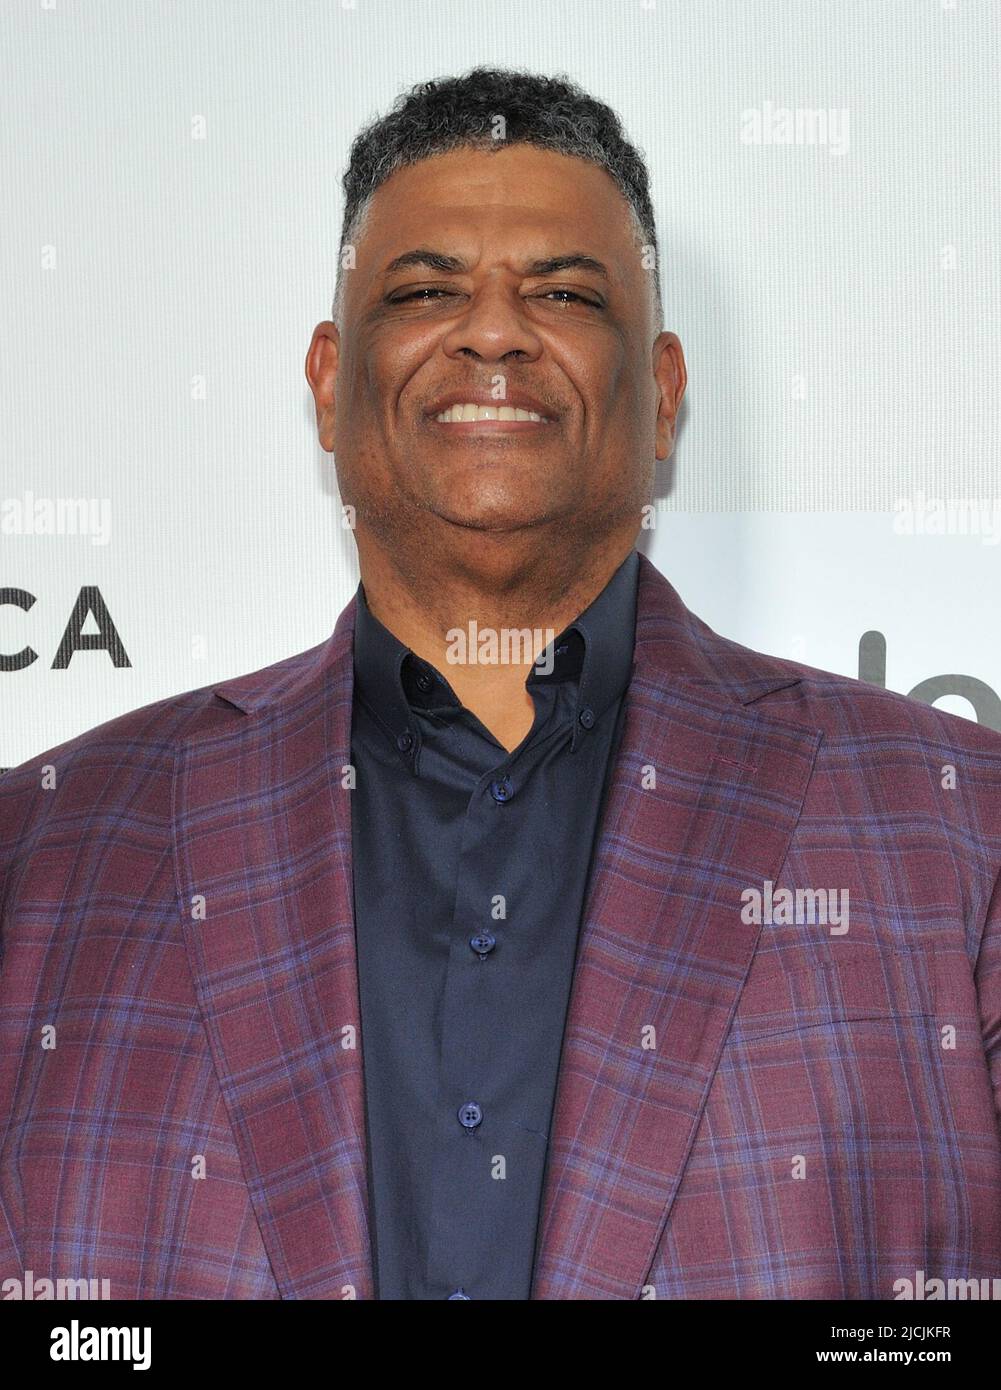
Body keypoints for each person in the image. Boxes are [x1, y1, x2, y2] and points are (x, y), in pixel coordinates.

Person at [1, 68, 999, 1302]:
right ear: (326, 380)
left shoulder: (955, 823)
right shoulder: (46, 843)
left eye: (564, 293)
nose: (490, 331)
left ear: (665, 394)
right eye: (423, 291)